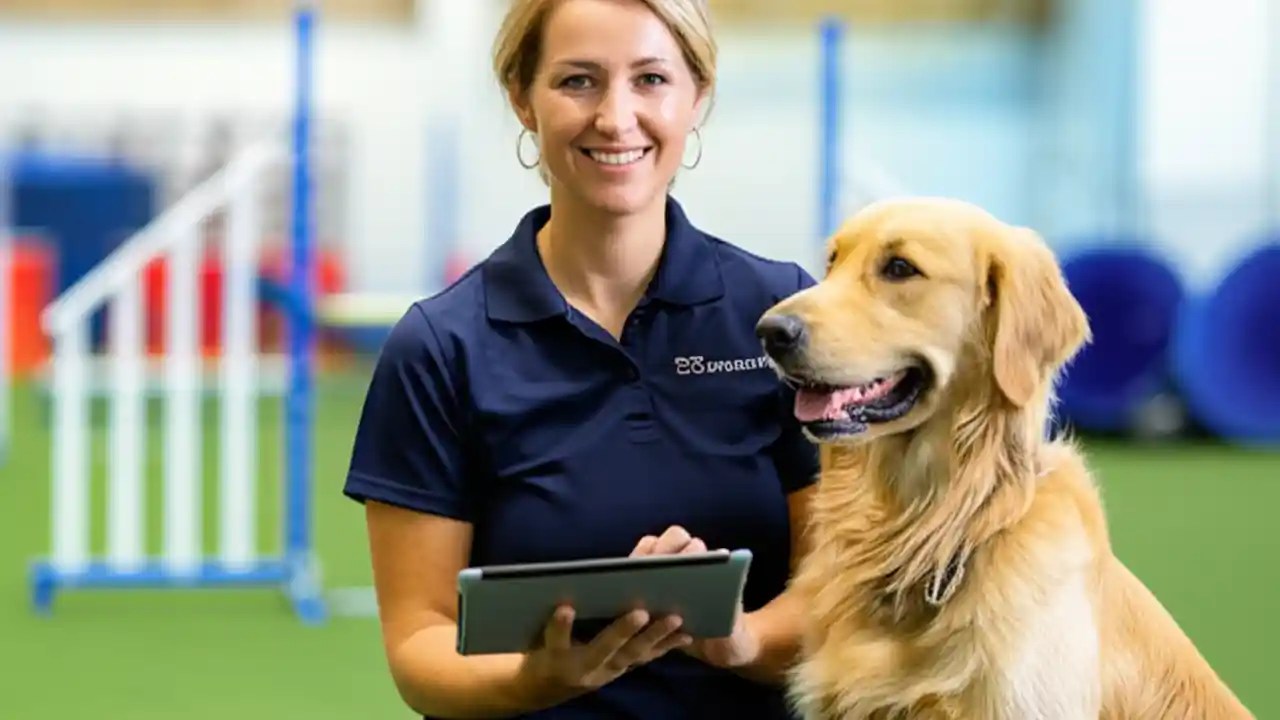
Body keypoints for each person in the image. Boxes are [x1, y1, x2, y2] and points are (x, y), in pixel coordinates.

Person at [343, 0, 820, 717]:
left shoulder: (781, 316)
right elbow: (420, 641)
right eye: (577, 81)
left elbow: (838, 589)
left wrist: (742, 640)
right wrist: (534, 680)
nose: (615, 118)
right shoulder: (439, 347)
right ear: (522, 99)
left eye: (651, 79)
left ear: (697, 96)